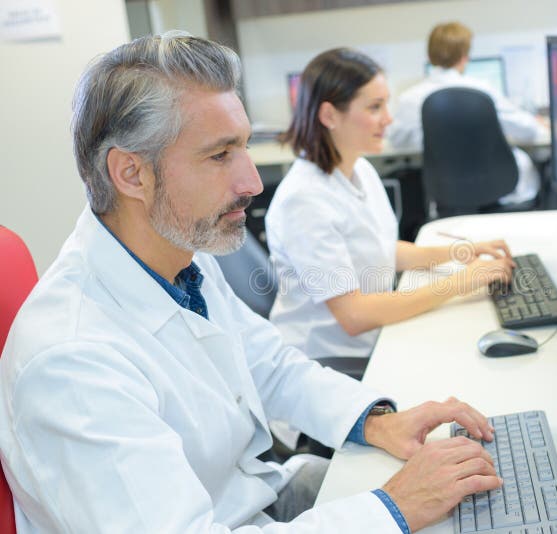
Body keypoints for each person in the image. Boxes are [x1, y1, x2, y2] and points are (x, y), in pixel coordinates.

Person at [0, 32, 503, 533]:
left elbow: (270, 365)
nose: (253, 183)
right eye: (220, 156)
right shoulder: (72, 363)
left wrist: (374, 422)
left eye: (243, 146)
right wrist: (392, 509)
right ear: (131, 174)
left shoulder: (177, 256)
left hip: (260, 500)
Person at [266, 48, 516, 360]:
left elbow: (381, 249)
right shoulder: (303, 201)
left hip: (375, 336)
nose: (388, 119)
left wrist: (462, 252)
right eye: (374, 107)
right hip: (331, 360)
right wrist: (461, 282)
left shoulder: (359, 169)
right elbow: (354, 315)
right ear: (329, 115)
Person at [387, 21, 548, 205]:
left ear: (430, 56)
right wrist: (537, 123)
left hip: (444, 190)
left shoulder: (410, 98)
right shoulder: (483, 90)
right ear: (464, 56)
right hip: (498, 187)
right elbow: (528, 130)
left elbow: (396, 141)